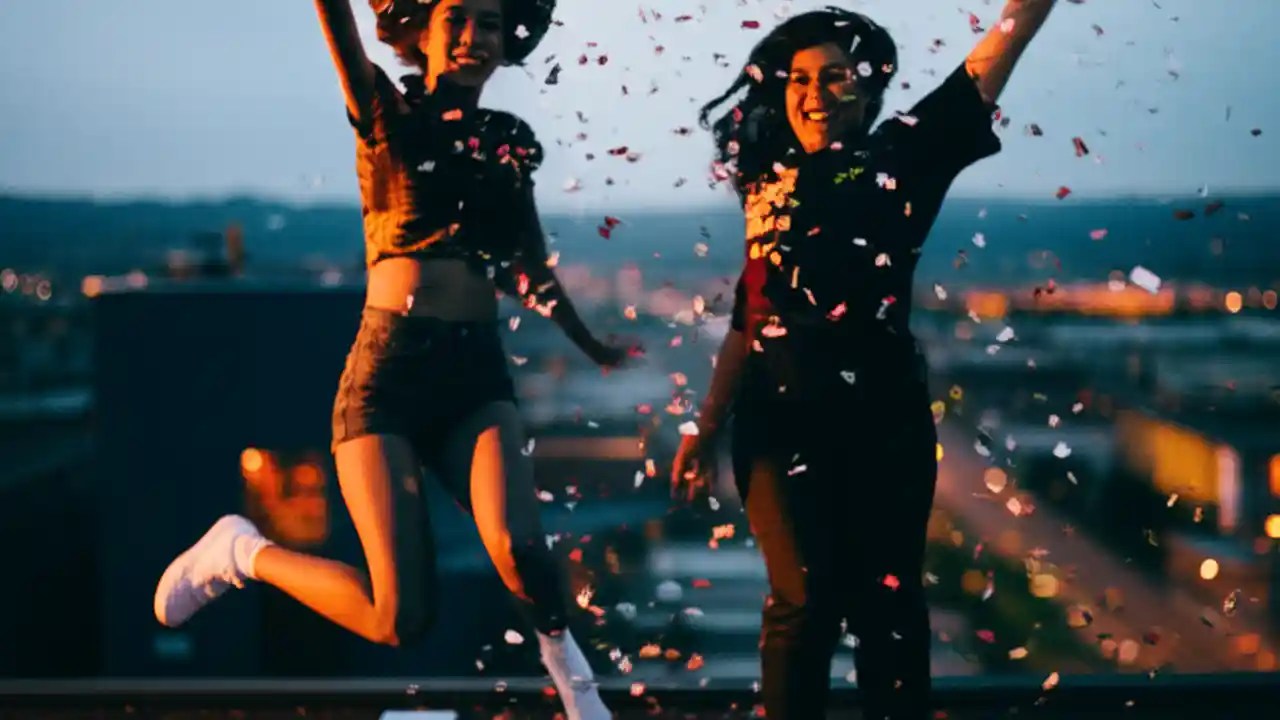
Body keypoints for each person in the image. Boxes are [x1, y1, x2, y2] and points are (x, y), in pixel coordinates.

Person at [153, 2, 627, 717]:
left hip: (476, 371)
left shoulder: (511, 140)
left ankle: (575, 683)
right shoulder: (385, 109)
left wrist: (591, 343)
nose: (474, 37)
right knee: (400, 620)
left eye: (490, 24)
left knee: (522, 550)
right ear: (423, 34)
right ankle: (242, 553)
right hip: (390, 374)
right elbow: (337, 27)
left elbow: (524, 265)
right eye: (457, 20)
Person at [673, 2, 1061, 718]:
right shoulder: (766, 180)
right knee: (803, 599)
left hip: (883, 421)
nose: (814, 93)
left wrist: (1026, 10)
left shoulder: (905, 155)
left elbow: (990, 62)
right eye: (799, 79)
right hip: (776, 421)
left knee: (889, 603)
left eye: (835, 77)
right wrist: (705, 423)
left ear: (869, 89)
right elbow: (748, 313)